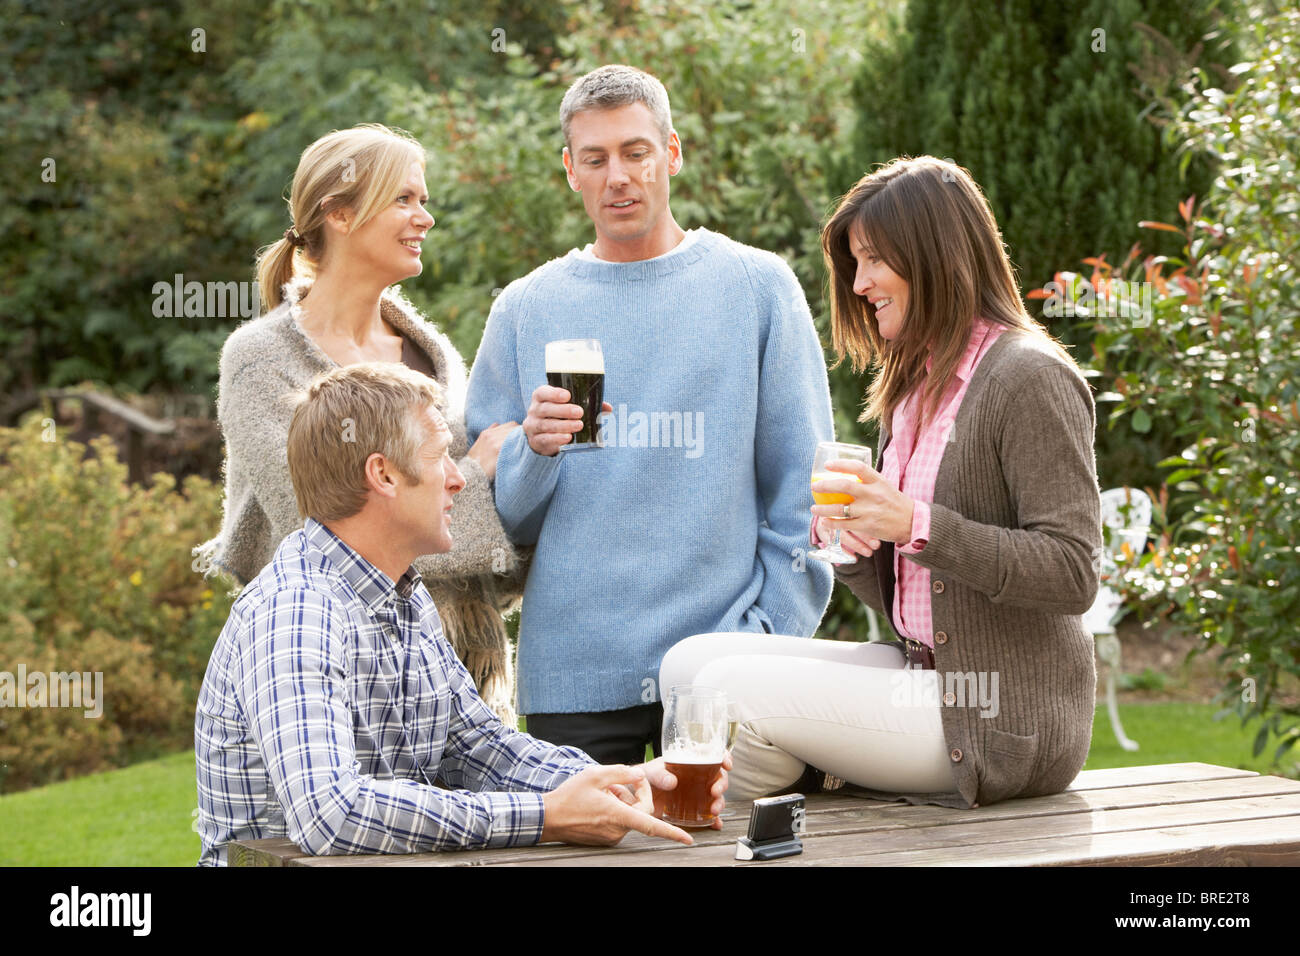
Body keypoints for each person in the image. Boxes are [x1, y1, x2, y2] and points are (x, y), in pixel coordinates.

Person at [661, 156, 1102, 809]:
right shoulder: (913, 388)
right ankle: (755, 809)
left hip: (998, 718)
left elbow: (1073, 575)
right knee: (689, 665)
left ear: (934, 256)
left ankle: (701, 833)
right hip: (921, 672)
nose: (860, 282)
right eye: (855, 264)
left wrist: (914, 524)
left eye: (874, 260)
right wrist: (851, 543)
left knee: (727, 688)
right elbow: (906, 594)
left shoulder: (1028, 377)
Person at [194, 364, 727, 865]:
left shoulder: (403, 594)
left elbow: (478, 746)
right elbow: (329, 815)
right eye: (441, 457)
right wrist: (544, 817)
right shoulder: (297, 611)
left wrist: (620, 785)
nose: (459, 479)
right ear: (383, 474)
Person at [464, 65, 835, 764]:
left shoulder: (756, 288)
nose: (619, 177)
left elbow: (807, 487)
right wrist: (532, 456)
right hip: (572, 676)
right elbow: (491, 523)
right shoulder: (525, 308)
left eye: (636, 152)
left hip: (724, 670)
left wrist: (769, 636)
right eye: (596, 159)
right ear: (570, 170)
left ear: (672, 153)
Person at [193, 124, 522, 723]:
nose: (424, 217)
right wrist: (477, 473)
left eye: (423, 200)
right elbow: (321, 526)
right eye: (404, 199)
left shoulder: (433, 353)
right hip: (338, 673)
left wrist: (530, 457)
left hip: (465, 676)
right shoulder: (261, 362)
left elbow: (480, 520)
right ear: (339, 214)